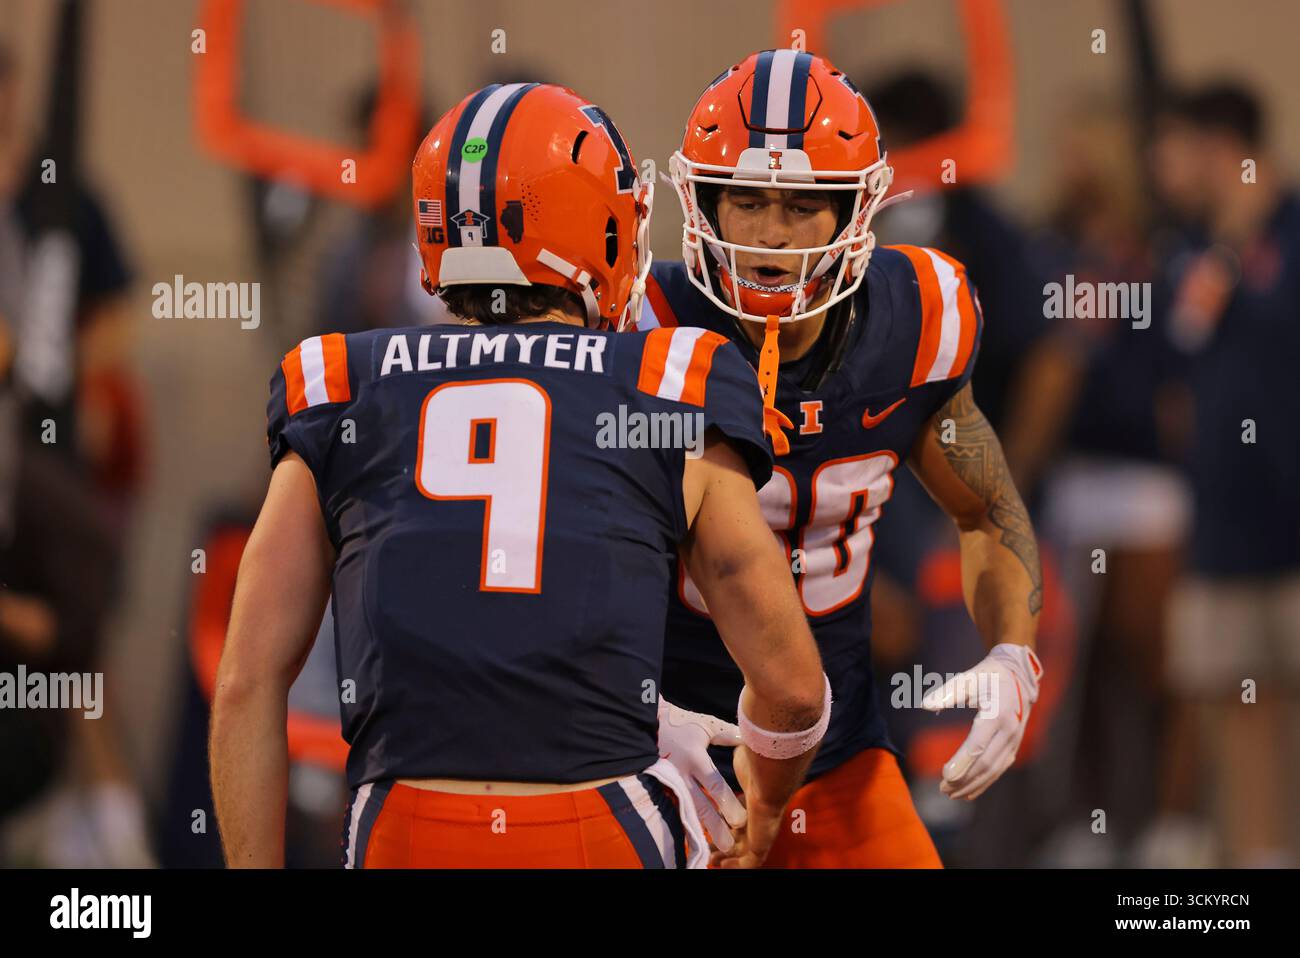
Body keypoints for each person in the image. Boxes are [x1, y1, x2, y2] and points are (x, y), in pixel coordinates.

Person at [209, 82, 829, 869]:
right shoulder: (673, 379)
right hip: (595, 825)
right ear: (599, 227)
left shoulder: (339, 378)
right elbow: (793, 690)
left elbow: (245, 685)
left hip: (403, 830)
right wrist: (765, 808)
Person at [648, 49, 1044, 867]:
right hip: (668, 749)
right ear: (704, 204)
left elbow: (985, 511)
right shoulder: (642, 328)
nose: (769, 234)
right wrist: (632, 714)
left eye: (802, 206)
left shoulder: (917, 318)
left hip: (838, 753)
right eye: (747, 201)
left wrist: (1012, 652)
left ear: (854, 213)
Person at [1151, 81, 1300, 868]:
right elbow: (1175, 358)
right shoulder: (1191, 250)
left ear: (1219, 147)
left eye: (1174, 146)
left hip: (1293, 518)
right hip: (1224, 523)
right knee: (1240, 700)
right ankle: (1263, 858)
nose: (1161, 166)